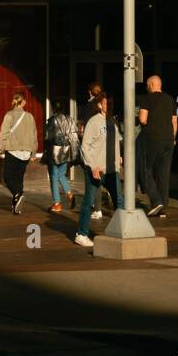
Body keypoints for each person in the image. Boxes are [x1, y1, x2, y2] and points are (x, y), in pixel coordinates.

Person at [139, 74, 177, 218]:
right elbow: (174, 122)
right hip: (168, 139)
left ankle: (155, 201)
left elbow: (143, 119)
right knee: (164, 173)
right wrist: (173, 138)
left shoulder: (146, 99)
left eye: (147, 85)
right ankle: (163, 208)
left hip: (152, 139)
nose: (146, 87)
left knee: (146, 170)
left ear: (151, 84)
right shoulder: (170, 99)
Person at [75, 92, 110, 248]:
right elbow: (85, 147)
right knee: (88, 201)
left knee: (121, 201)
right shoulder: (93, 122)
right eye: (106, 103)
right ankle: (81, 234)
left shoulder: (111, 121)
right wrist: (92, 165)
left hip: (109, 168)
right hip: (95, 168)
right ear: (99, 105)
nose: (108, 106)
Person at [0, 91, 38, 214]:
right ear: (23, 102)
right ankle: (16, 206)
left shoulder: (9, 115)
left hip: (13, 150)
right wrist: (33, 153)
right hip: (26, 153)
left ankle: (18, 194)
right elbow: (34, 135)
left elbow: (3, 135)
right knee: (19, 178)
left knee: (8, 178)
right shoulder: (30, 116)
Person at [43, 99, 79, 212]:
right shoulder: (70, 120)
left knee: (54, 176)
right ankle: (69, 194)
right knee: (62, 174)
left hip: (54, 152)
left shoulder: (52, 121)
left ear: (53, 109)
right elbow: (74, 136)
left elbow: (48, 137)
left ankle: (57, 203)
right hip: (66, 151)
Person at [78, 82, 106, 220]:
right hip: (105, 146)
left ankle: (96, 208)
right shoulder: (104, 106)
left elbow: (82, 127)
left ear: (90, 92)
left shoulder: (87, 107)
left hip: (92, 146)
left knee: (92, 178)